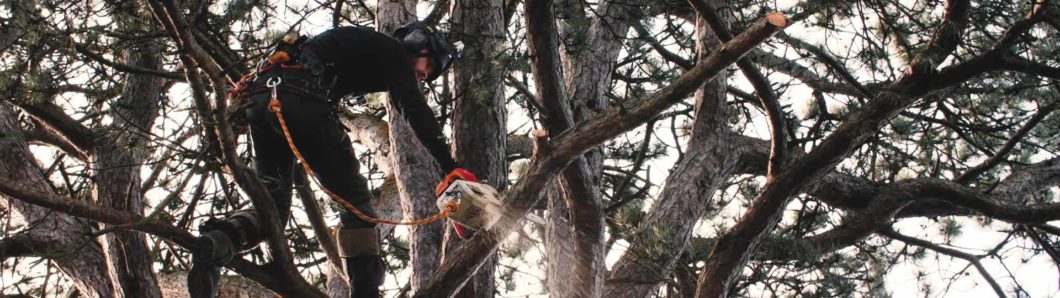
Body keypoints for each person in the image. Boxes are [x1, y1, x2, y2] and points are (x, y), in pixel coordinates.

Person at [187, 22, 476, 298]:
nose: (424, 76)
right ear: (418, 44)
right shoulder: (393, 52)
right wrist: (449, 167)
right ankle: (365, 292)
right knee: (355, 205)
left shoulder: (351, 48)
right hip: (302, 101)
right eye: (430, 67)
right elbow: (413, 108)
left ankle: (216, 244)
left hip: (261, 104)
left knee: (272, 208)